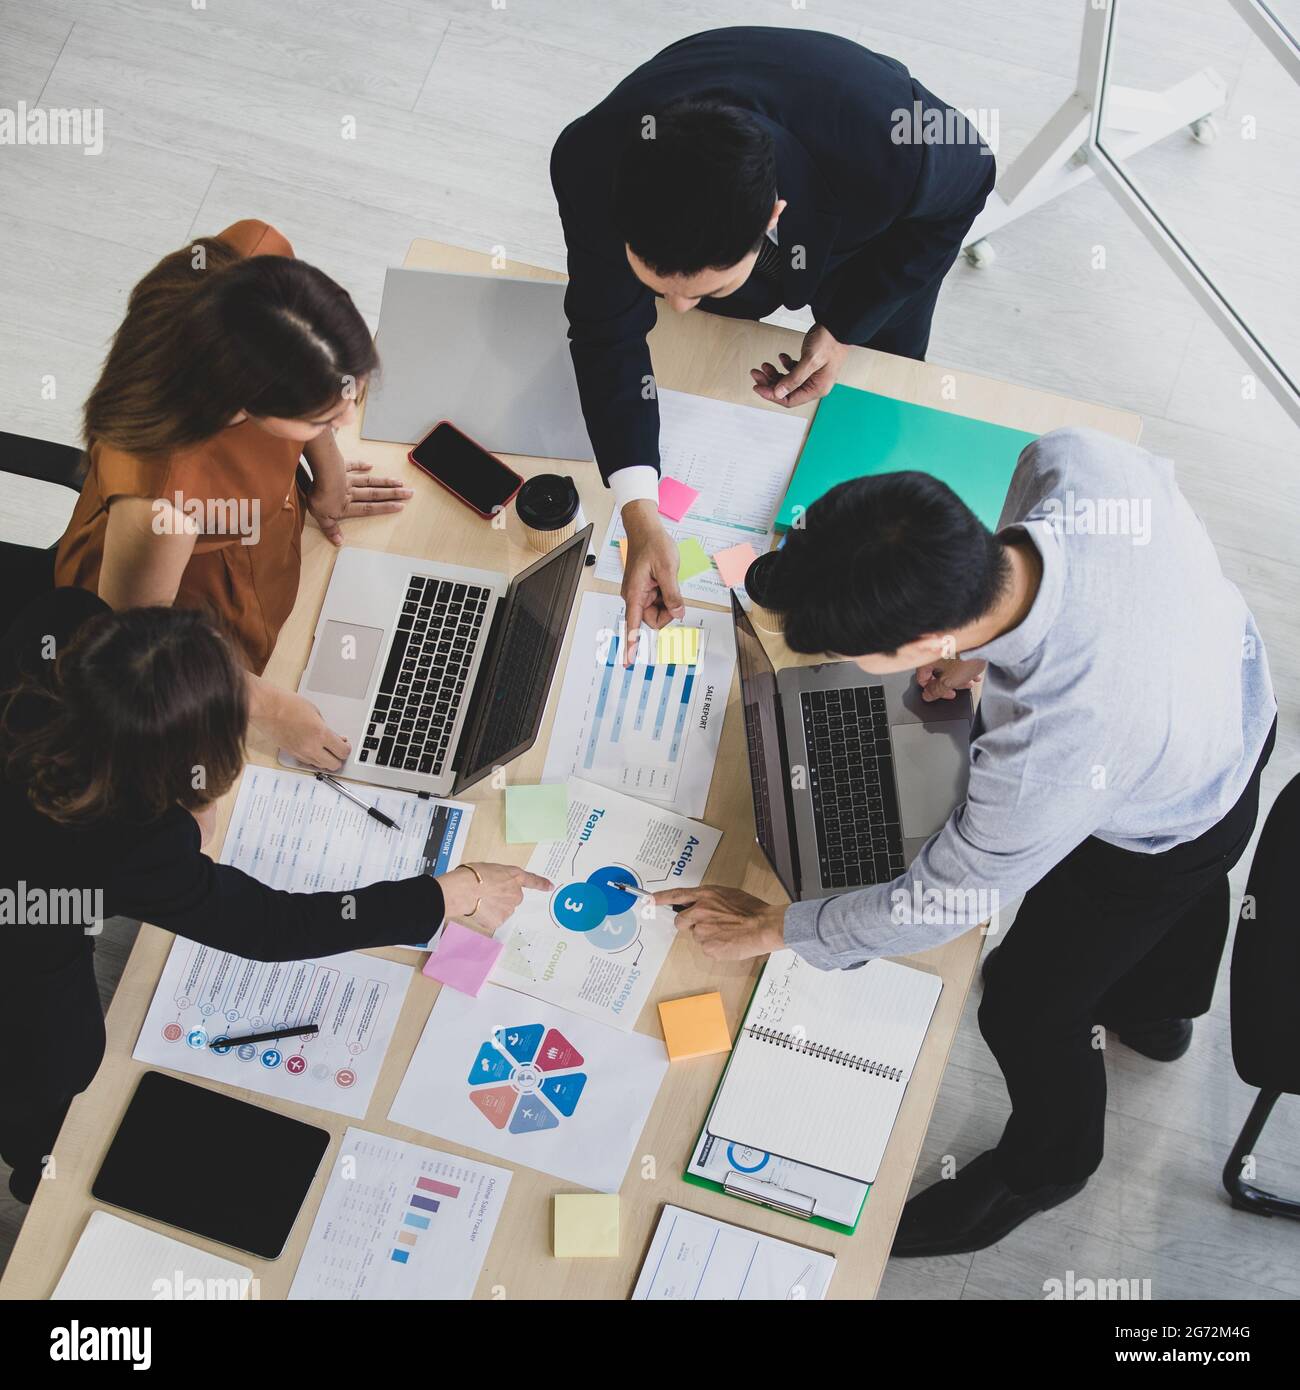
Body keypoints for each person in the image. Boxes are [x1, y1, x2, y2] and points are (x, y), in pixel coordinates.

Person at [652, 428, 1276, 1255]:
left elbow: (942, 904)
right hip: (1228, 695)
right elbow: (1108, 590)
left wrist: (773, 926)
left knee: (1025, 1001)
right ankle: (1157, 1012)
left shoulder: (1046, 758)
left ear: (916, 646)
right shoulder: (1075, 461)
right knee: (1173, 904)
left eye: (847, 655)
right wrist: (977, 656)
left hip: (1164, 810)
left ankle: (1051, 1164)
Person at [0, 588, 549, 1204]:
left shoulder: (62, 621)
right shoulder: (130, 844)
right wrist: (454, 892)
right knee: (65, 1062)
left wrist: (270, 707)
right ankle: (34, 1160)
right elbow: (274, 927)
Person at [550, 26, 994, 645]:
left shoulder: (892, 144)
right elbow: (605, 336)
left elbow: (974, 177)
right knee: (705, 345)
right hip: (733, 208)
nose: (675, 310)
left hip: (860, 217)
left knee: (883, 391)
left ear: (772, 220)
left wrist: (843, 329)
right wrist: (639, 507)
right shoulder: (588, 162)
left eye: (702, 291)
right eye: (657, 284)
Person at [54, 219, 411, 770]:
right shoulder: (161, 502)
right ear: (243, 405)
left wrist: (330, 478)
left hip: (260, 532)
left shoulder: (252, 260)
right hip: (187, 610)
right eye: (324, 414)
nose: (346, 418)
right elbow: (144, 648)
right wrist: (266, 709)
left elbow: (299, 360)